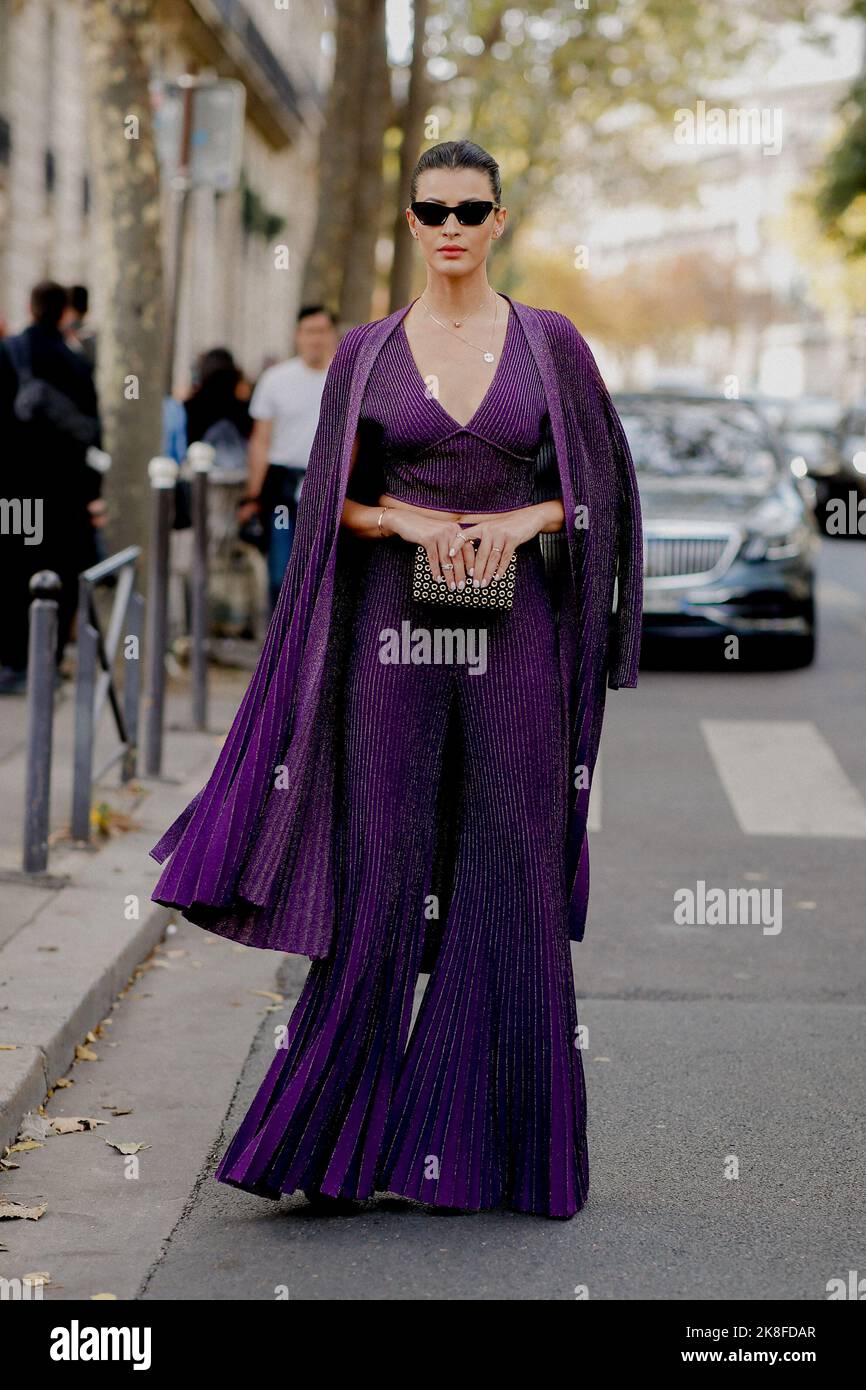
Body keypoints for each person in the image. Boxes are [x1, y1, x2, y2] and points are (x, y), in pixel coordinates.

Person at [149, 140, 643, 1219]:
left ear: (498, 220)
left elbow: (597, 481)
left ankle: (496, 1149)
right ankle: (329, 1149)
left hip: (515, 633)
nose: (452, 224)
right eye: (433, 208)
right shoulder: (366, 354)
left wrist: (523, 517)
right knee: (382, 865)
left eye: (472, 208)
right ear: (412, 221)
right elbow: (330, 497)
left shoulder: (548, 344)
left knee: (510, 858)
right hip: (387, 630)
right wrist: (401, 513)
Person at [0, 280, 102, 693]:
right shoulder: (77, 362)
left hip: (15, 490)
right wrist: (93, 491)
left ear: (29, 305)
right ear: (64, 312)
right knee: (59, 572)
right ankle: (49, 661)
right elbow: (94, 431)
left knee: (12, 571)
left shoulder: (8, 353)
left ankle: (11, 661)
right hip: (67, 493)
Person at [238, 306, 337, 612]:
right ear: (297, 336)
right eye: (308, 332)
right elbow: (260, 440)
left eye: (321, 332)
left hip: (328, 484)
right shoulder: (276, 379)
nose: (315, 340)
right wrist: (253, 494)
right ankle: (280, 646)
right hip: (282, 483)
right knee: (281, 572)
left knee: (324, 572)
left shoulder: (346, 378)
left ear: (332, 335)